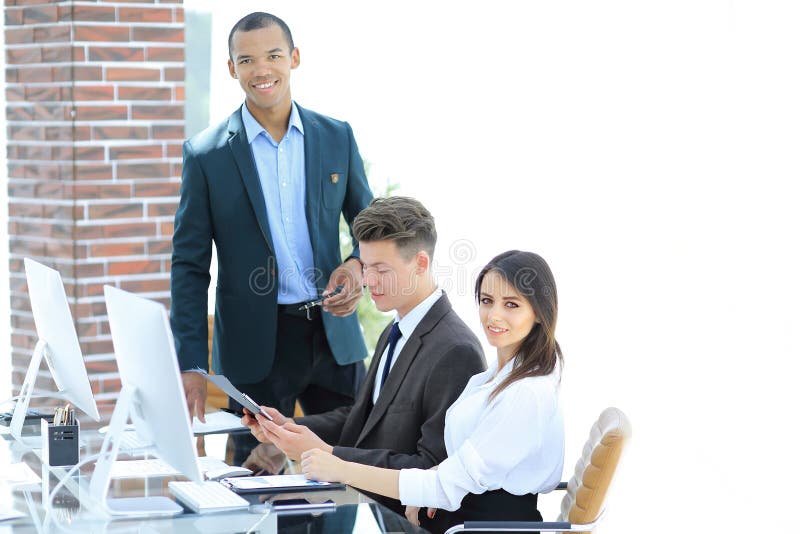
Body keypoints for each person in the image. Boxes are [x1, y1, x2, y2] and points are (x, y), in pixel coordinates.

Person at [170, 12, 373, 433]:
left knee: (352, 457)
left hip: (334, 336)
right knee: (251, 467)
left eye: (273, 56)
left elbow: (371, 226)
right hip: (254, 348)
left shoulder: (337, 136)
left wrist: (357, 265)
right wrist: (190, 363)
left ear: (294, 58)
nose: (261, 70)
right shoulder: (205, 156)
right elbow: (189, 266)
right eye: (247, 60)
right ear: (232, 68)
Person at [242, 196, 486, 531]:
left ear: (420, 263)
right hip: (368, 508)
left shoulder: (456, 352)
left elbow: (431, 470)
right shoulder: (395, 330)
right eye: (366, 267)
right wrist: (288, 428)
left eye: (381, 270)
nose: (368, 281)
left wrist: (328, 455)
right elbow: (363, 418)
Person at [299, 250, 566, 533]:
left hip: (484, 527)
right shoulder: (494, 378)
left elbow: (445, 486)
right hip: (460, 519)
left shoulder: (526, 393)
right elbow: (463, 465)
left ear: (539, 312)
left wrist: (341, 468)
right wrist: (426, 488)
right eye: (487, 301)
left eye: (511, 304)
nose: (494, 315)